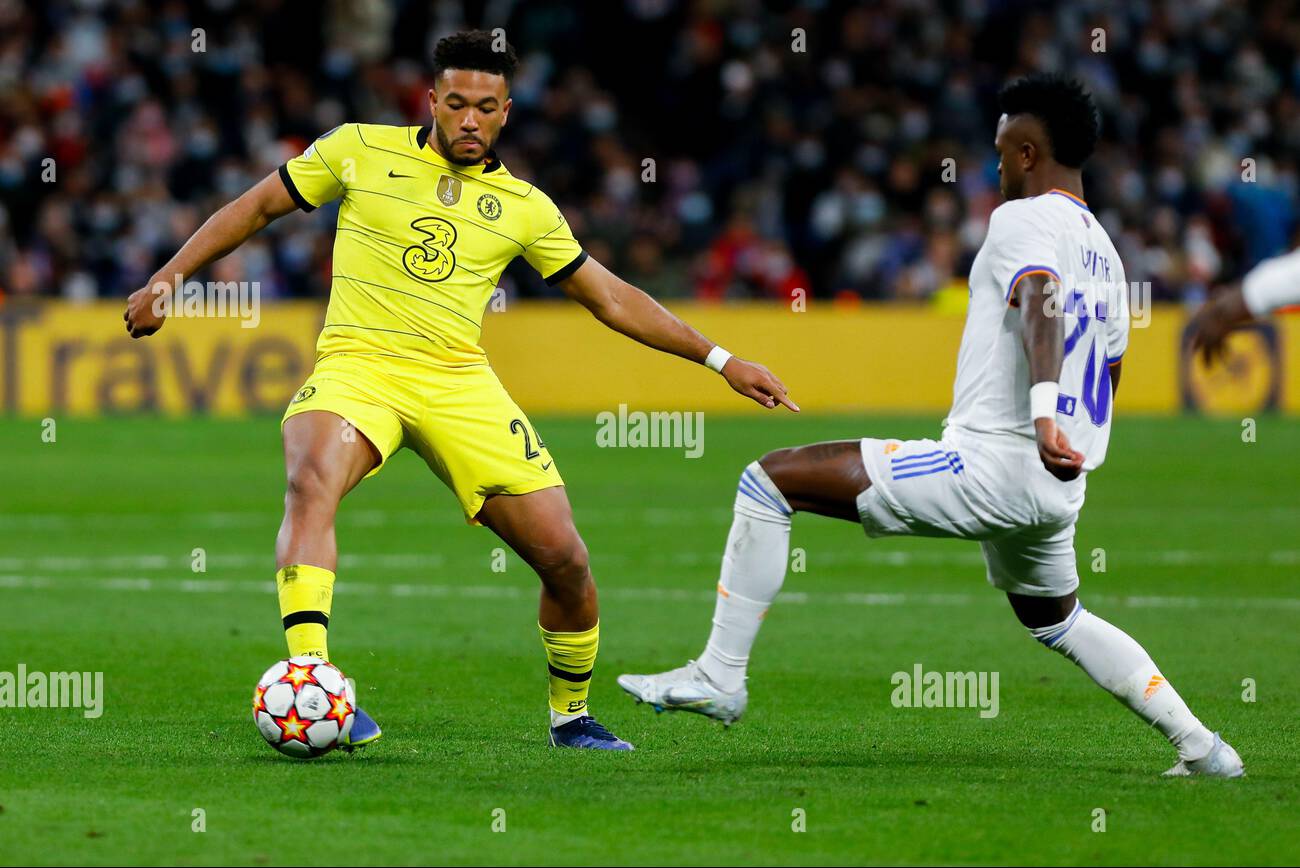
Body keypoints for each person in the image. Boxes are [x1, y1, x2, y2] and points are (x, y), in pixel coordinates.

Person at [123, 30, 796, 752]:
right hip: (358, 367)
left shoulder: (525, 207)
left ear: (507, 111)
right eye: (455, 104)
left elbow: (611, 298)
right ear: (430, 102)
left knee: (564, 559)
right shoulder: (356, 148)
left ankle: (571, 716)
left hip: (457, 383)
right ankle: (310, 676)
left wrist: (721, 359)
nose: (469, 120)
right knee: (312, 476)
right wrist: (170, 277)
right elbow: (253, 209)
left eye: (485, 107)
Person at [619, 74, 1243, 777]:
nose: (996, 163)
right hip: (1057, 486)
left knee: (769, 480)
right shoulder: (1106, 249)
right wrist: (1069, 439)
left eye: (1003, 150)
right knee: (1057, 619)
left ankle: (720, 676)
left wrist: (1040, 418)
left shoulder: (1022, 219)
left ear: (1031, 152)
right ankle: (1204, 748)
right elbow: (1109, 371)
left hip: (995, 463)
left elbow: (1038, 300)